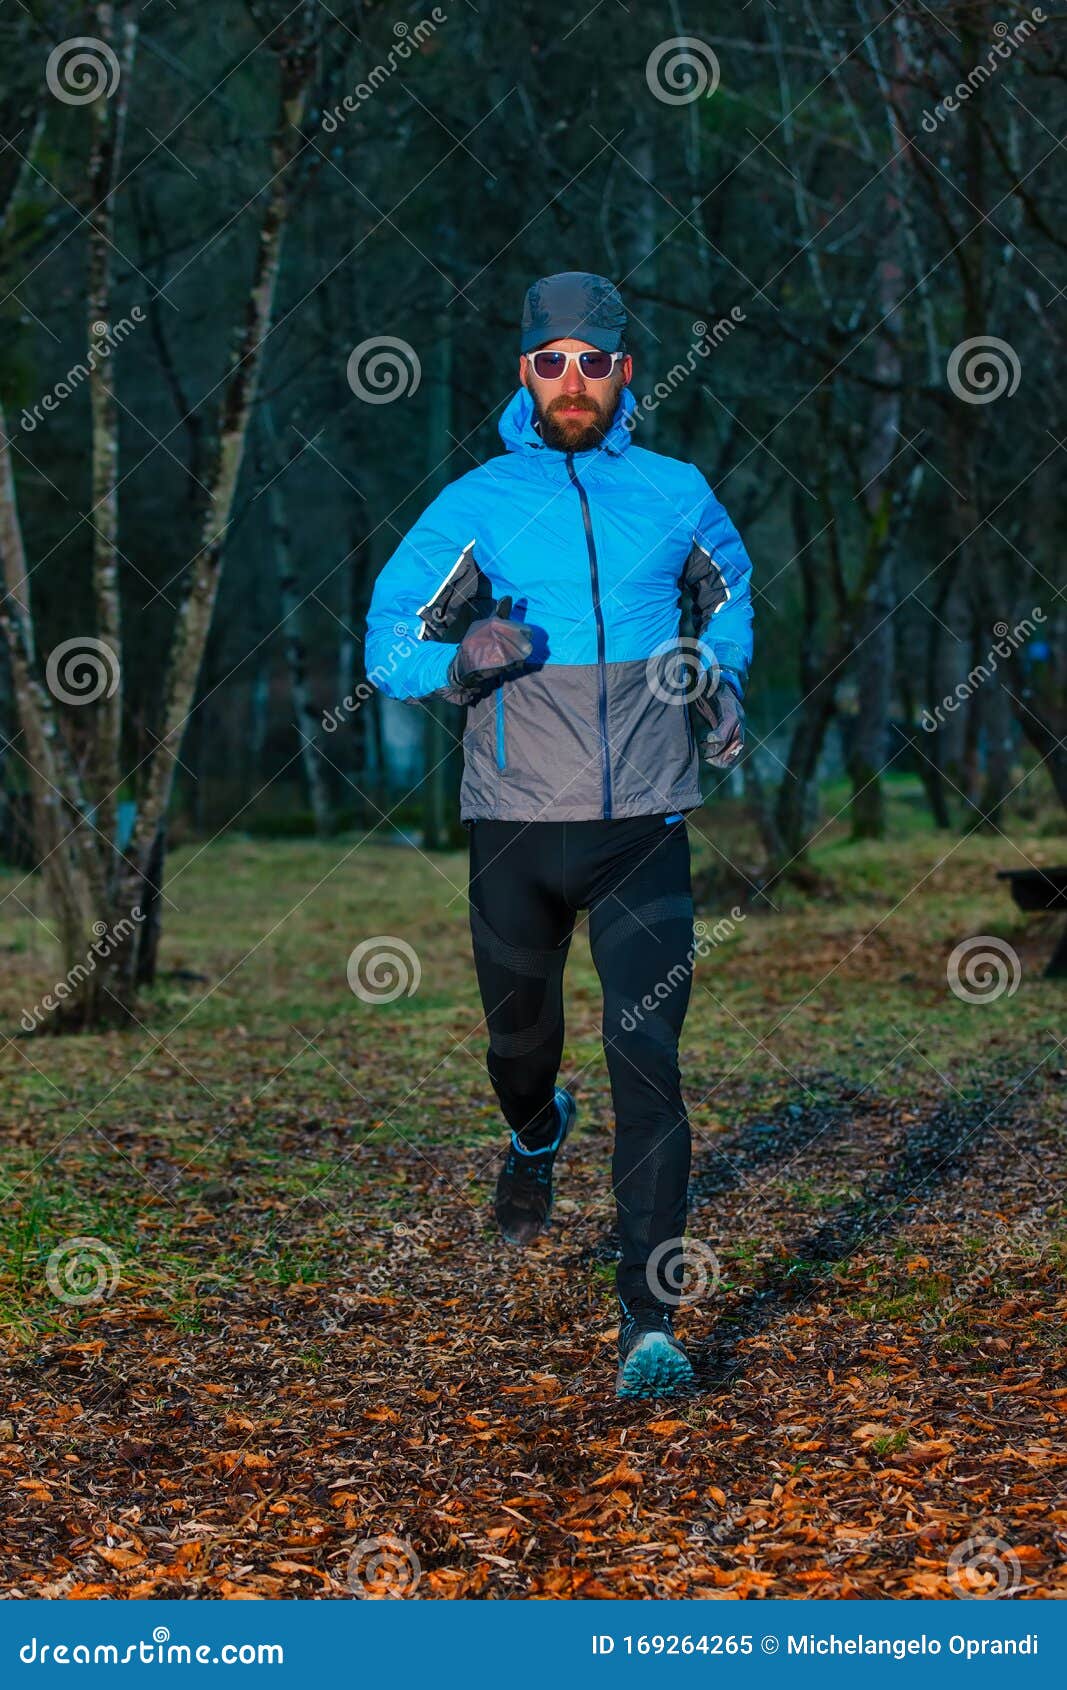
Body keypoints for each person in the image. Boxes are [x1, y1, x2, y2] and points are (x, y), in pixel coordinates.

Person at [365, 272, 753, 1398]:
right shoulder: (476, 504)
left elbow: (730, 596)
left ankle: (647, 1325)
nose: (571, 381)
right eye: (550, 361)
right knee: (518, 1045)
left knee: (649, 1062)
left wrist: (719, 681)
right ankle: (535, 1132)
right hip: (513, 829)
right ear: (522, 373)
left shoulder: (676, 493)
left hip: (644, 821)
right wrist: (457, 662)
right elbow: (383, 643)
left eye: (592, 360)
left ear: (625, 370)